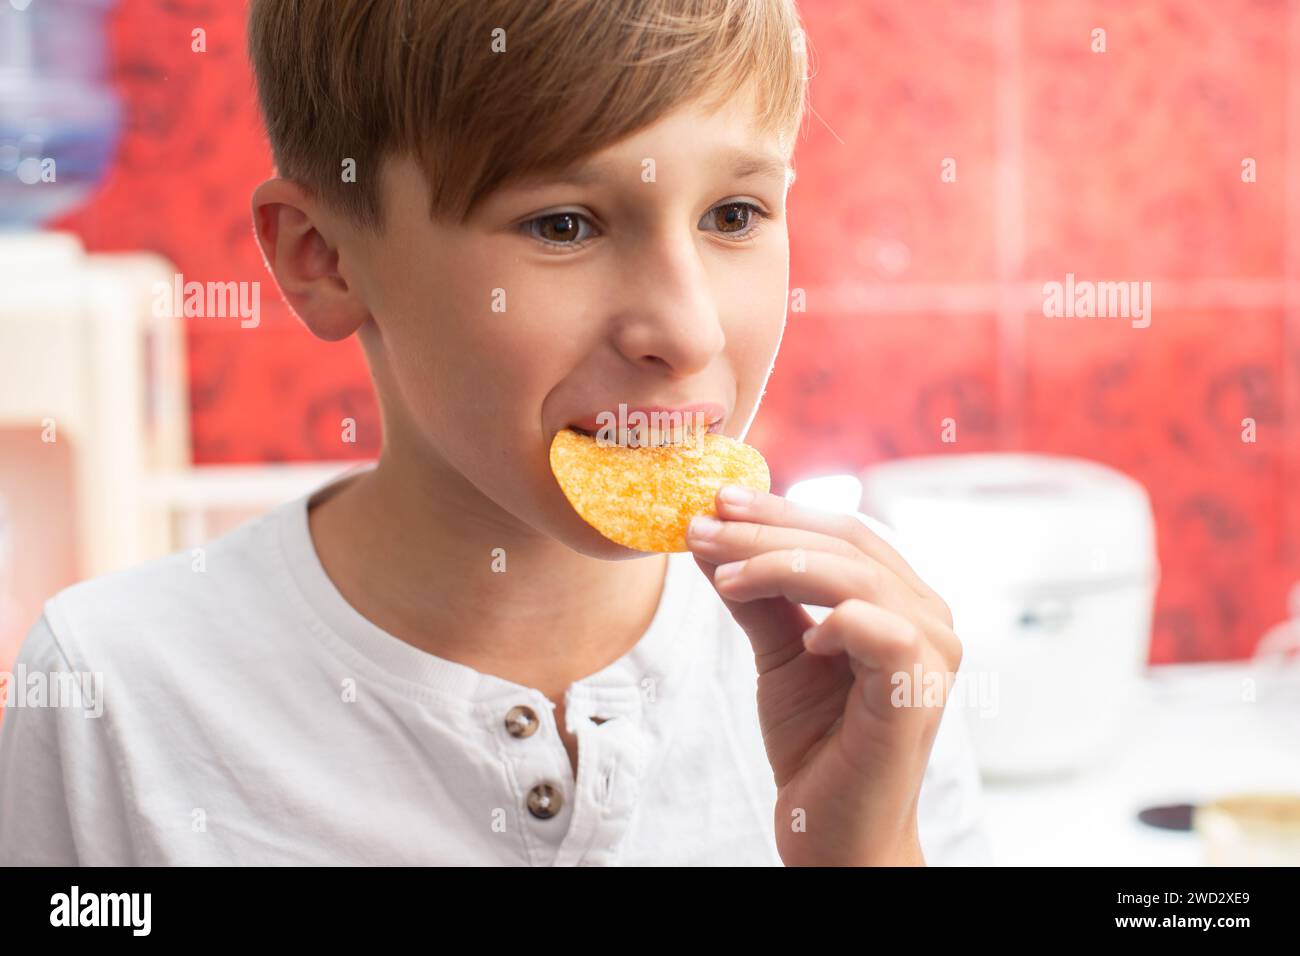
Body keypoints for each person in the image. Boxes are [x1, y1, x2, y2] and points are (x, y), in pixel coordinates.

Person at [0, 0, 991, 866]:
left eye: (734, 213)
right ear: (325, 258)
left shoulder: (862, 638)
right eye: (565, 225)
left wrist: (864, 853)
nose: (687, 330)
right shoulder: (114, 689)